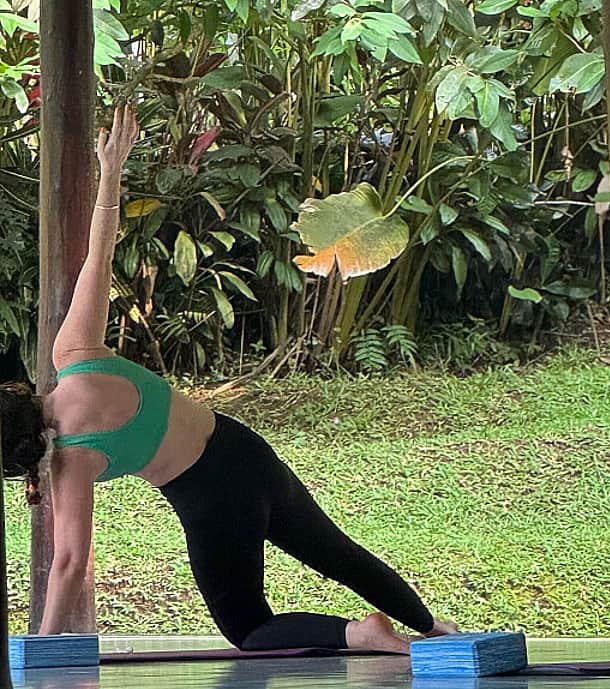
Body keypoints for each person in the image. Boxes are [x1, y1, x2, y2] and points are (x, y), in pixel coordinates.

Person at [0, 106, 454, 652]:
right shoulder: (75, 352)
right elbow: (99, 255)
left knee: (249, 628)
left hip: (210, 498)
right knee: (337, 551)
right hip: (244, 448)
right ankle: (431, 628)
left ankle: (361, 632)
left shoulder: (74, 455)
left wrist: (45, 645)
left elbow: (70, 561)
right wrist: (112, 169)